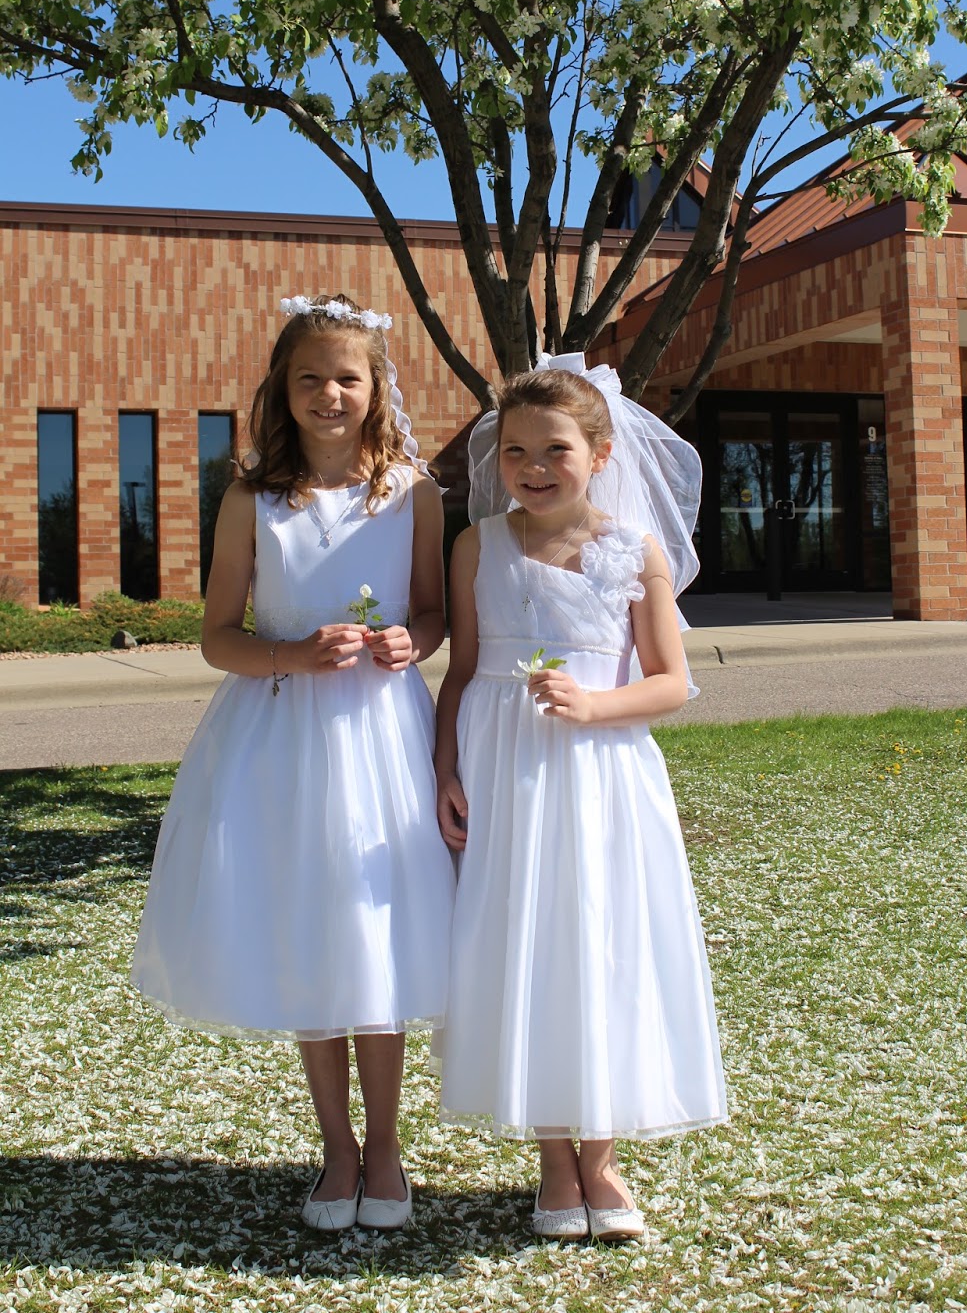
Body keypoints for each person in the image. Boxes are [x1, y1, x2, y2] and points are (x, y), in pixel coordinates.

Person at [132, 294, 454, 1234]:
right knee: (312, 930)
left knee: (374, 931)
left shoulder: (413, 491)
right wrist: (294, 656)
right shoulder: (250, 499)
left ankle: (387, 1146)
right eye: (309, 377)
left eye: (347, 377)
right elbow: (216, 639)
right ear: (282, 386)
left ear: (376, 386)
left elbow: (431, 612)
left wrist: (409, 641)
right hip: (279, 734)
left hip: (382, 737)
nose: (328, 393)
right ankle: (336, 1150)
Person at [434, 354, 727, 1244]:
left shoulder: (632, 551)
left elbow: (673, 683)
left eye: (554, 448)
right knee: (526, 950)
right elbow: (461, 671)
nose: (532, 466)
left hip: (600, 775)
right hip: (503, 775)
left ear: (598, 452)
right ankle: (552, 1164)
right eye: (515, 449)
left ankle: (599, 1159)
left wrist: (597, 704)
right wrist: (446, 769)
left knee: (596, 950)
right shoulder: (476, 543)